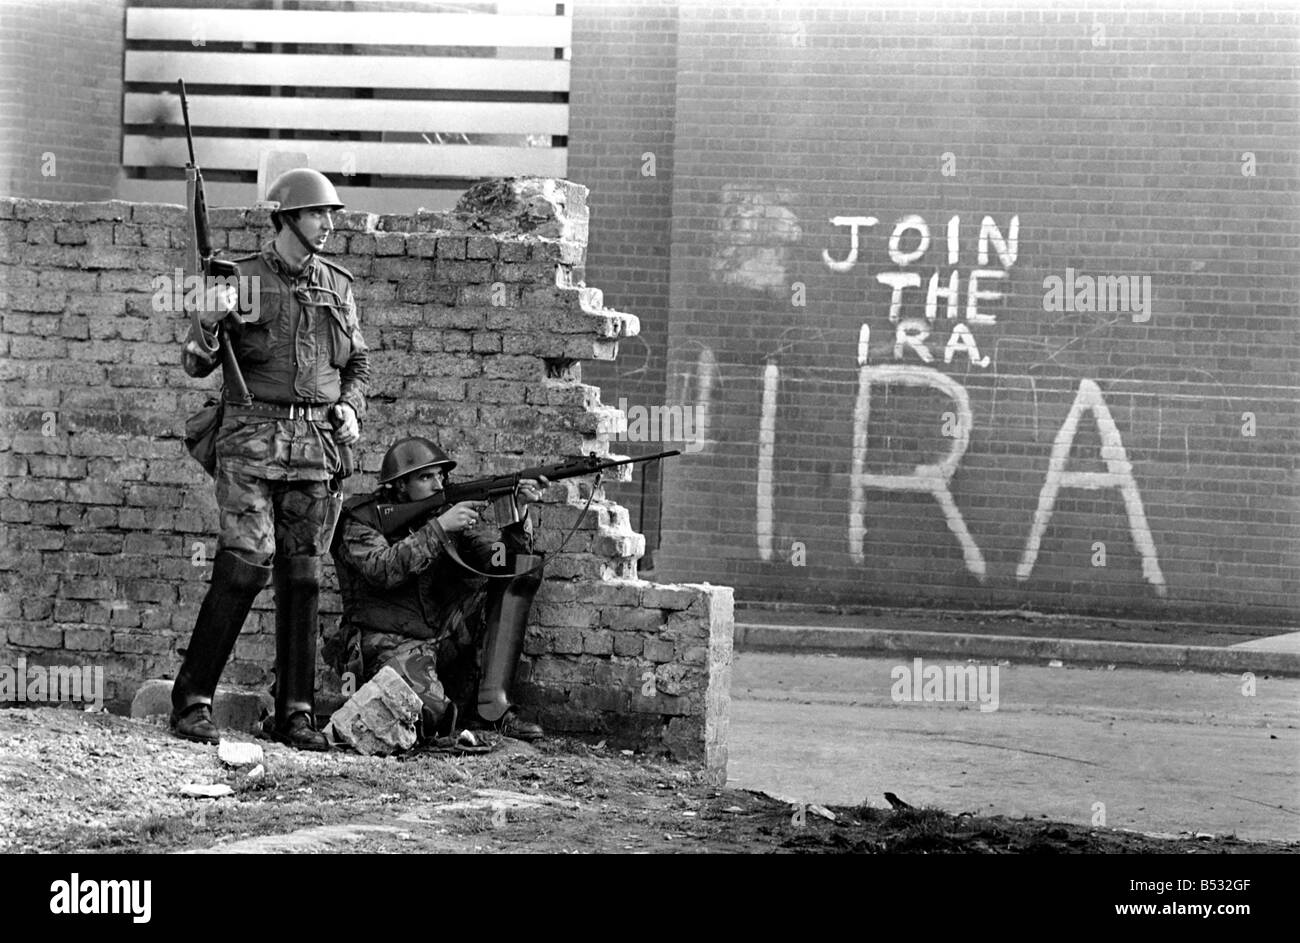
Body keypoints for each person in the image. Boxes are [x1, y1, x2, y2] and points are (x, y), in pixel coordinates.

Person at [171, 168, 370, 750]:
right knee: (246, 561)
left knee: (303, 573)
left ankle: (296, 715)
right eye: (317, 215)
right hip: (251, 445)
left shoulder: (337, 286)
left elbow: (357, 362)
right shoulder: (242, 280)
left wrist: (352, 407)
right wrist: (209, 319)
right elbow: (193, 363)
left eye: (331, 215)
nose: (329, 225)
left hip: (315, 449)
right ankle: (191, 704)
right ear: (285, 218)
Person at [329, 436, 547, 743]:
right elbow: (382, 570)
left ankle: (495, 711)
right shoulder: (363, 520)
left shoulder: (440, 514)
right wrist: (439, 528)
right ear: (400, 485)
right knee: (427, 716)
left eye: (440, 476)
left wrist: (517, 514)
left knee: (514, 580)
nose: (437, 485)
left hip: (440, 637)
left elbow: (499, 563)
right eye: (425, 477)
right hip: (386, 640)